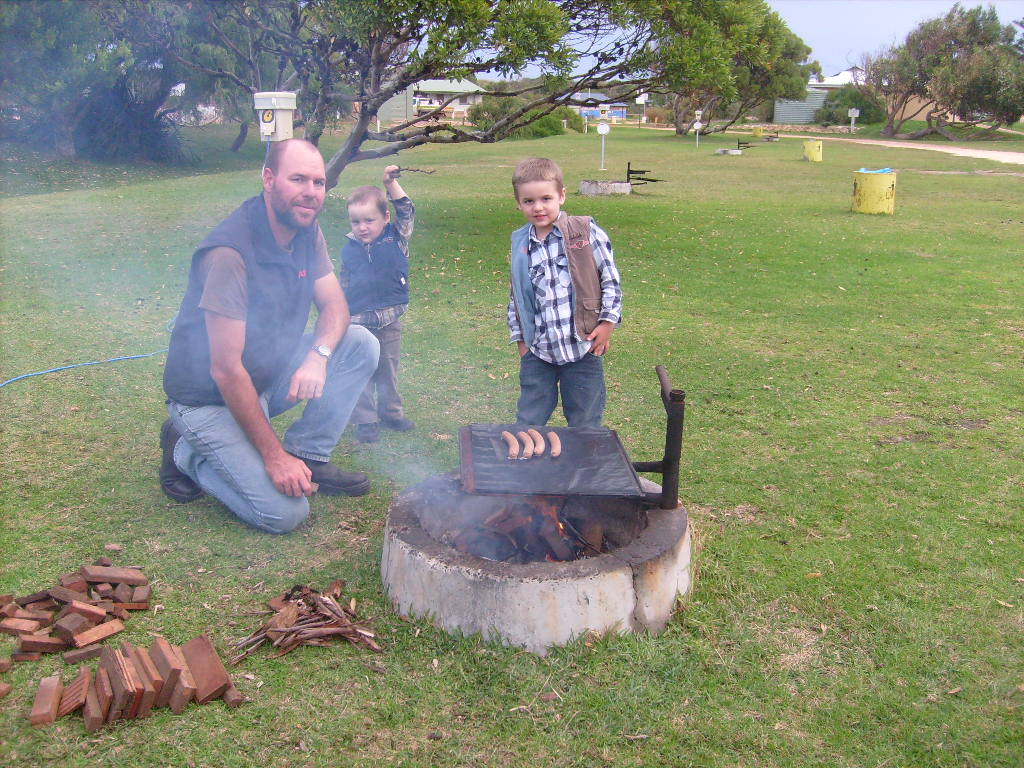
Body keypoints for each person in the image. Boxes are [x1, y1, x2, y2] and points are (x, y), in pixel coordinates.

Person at [159, 138, 380, 534]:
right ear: (268, 179)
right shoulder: (230, 254)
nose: (311, 193)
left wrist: (318, 356)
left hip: (266, 374)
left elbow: (336, 308)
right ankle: (183, 451)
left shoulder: (305, 230)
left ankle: (307, 455)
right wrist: (274, 458)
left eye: (318, 182)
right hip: (209, 399)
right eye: (298, 180)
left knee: (360, 342)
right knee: (284, 514)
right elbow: (226, 371)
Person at [507, 157, 622, 428]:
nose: (538, 207)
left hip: (582, 348)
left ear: (562, 196)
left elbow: (610, 281)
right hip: (539, 351)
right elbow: (517, 297)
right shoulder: (521, 244)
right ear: (518, 203)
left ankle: (583, 467)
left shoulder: (585, 232)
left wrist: (607, 323)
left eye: (546, 198)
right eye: (528, 201)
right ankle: (527, 467)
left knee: (585, 420)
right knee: (529, 418)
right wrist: (522, 342)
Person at [339, 165, 416, 443]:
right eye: (356, 222)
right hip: (357, 323)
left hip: (389, 319)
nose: (362, 228)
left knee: (388, 369)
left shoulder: (396, 237)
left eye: (369, 220)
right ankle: (365, 420)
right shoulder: (349, 248)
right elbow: (343, 285)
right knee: (360, 371)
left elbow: (406, 209)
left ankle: (391, 413)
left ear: (385, 218)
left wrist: (389, 183)